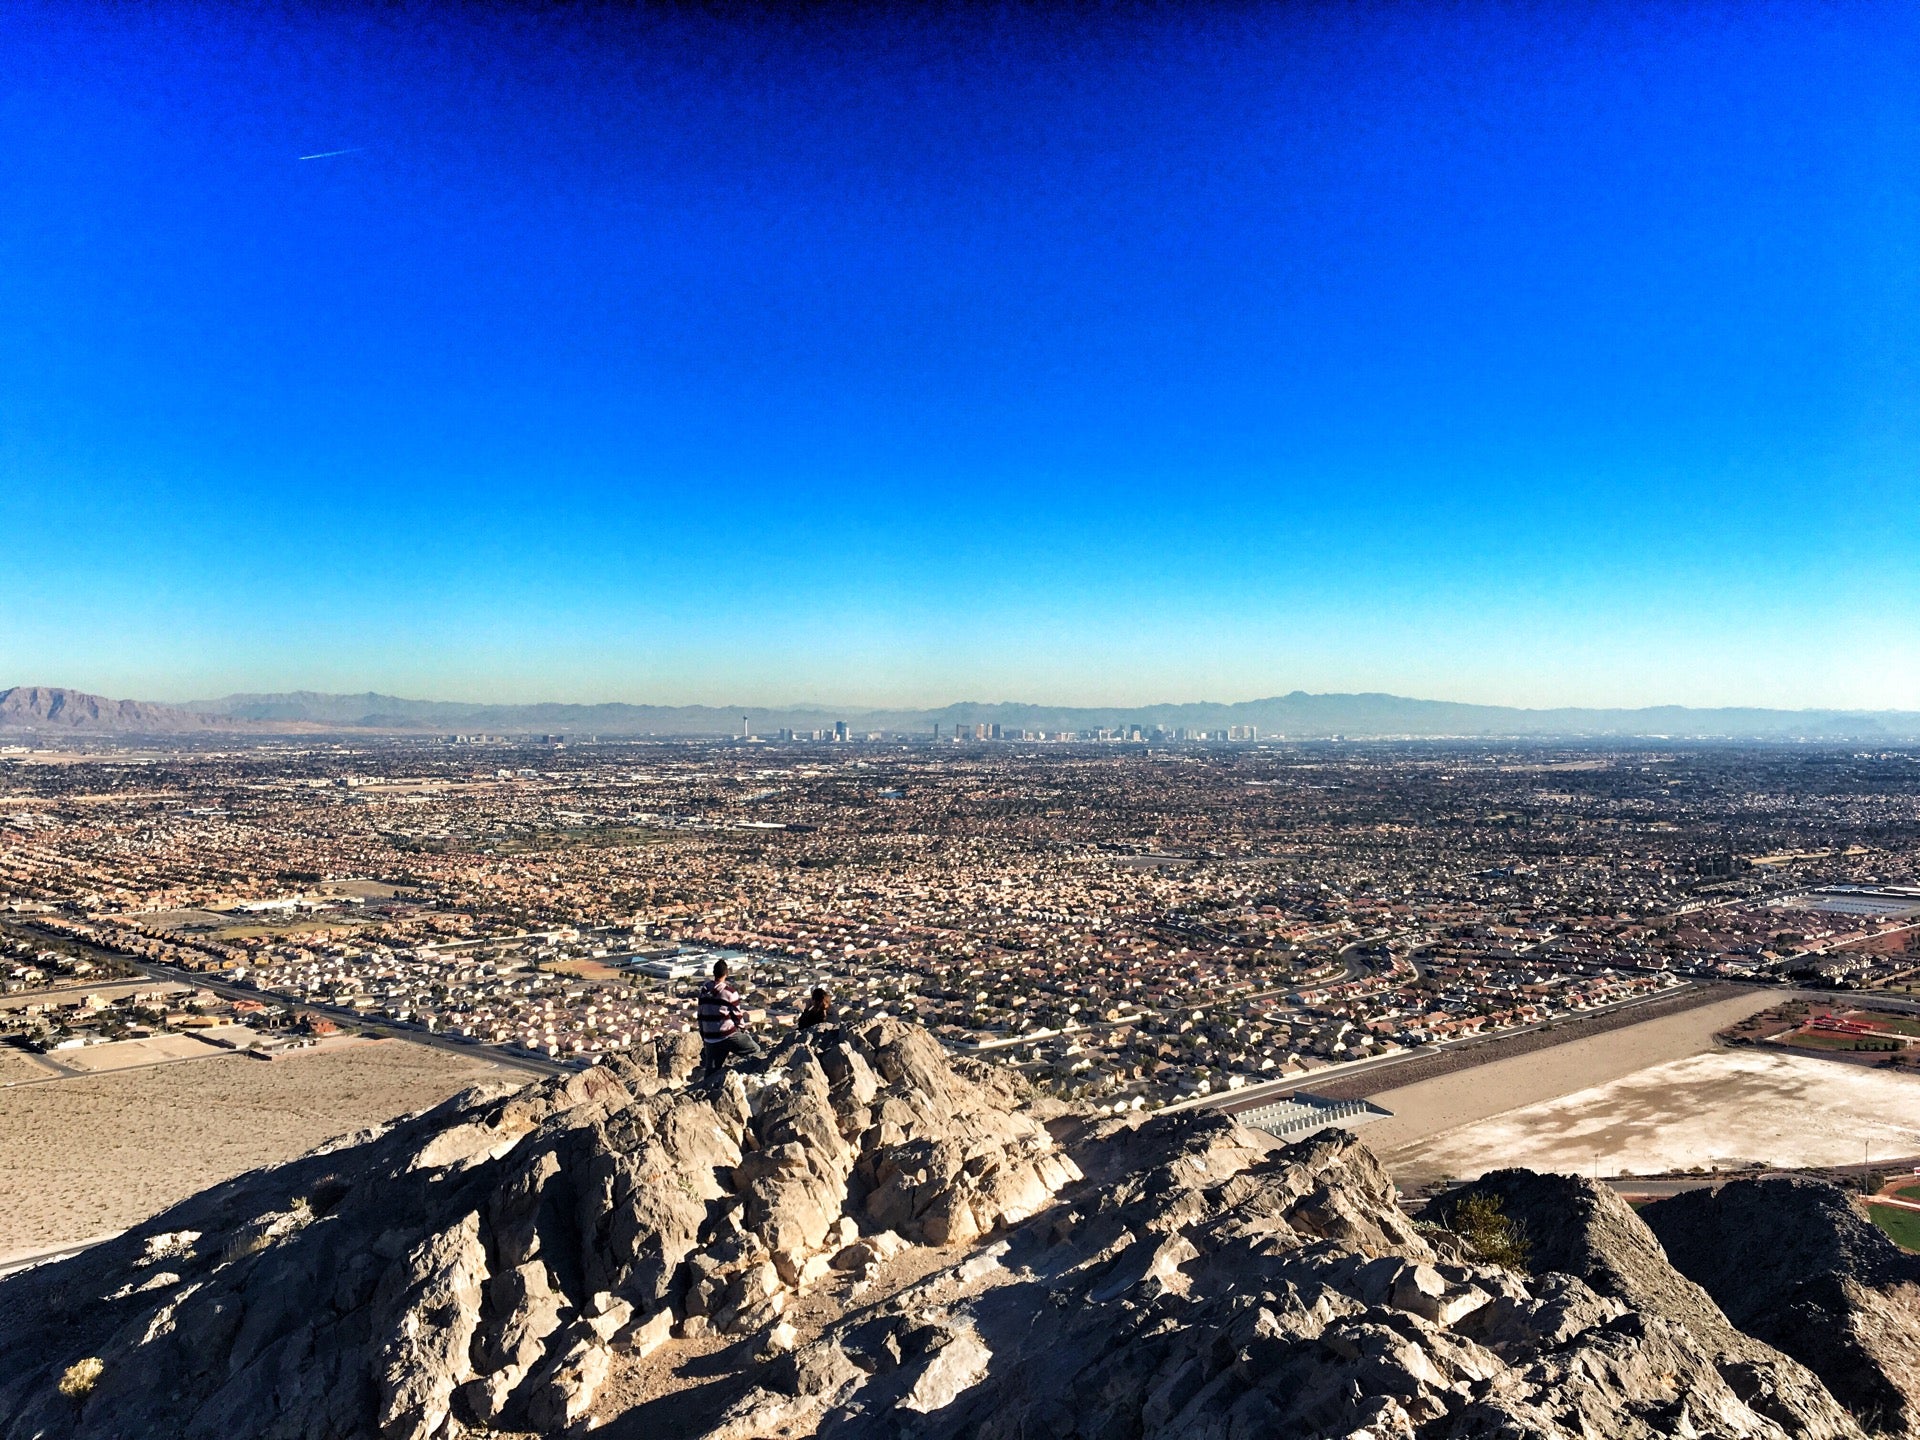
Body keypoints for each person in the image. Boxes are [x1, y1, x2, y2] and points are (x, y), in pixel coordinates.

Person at [697, 959, 763, 1076]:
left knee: (711, 1072)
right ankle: (745, 1075)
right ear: (726, 974)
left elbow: (700, 1014)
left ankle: (707, 1090)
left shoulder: (704, 989)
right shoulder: (730, 992)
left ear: (714, 973)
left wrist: (704, 1034)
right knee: (755, 1050)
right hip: (727, 1035)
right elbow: (737, 1016)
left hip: (709, 1037)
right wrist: (742, 1029)